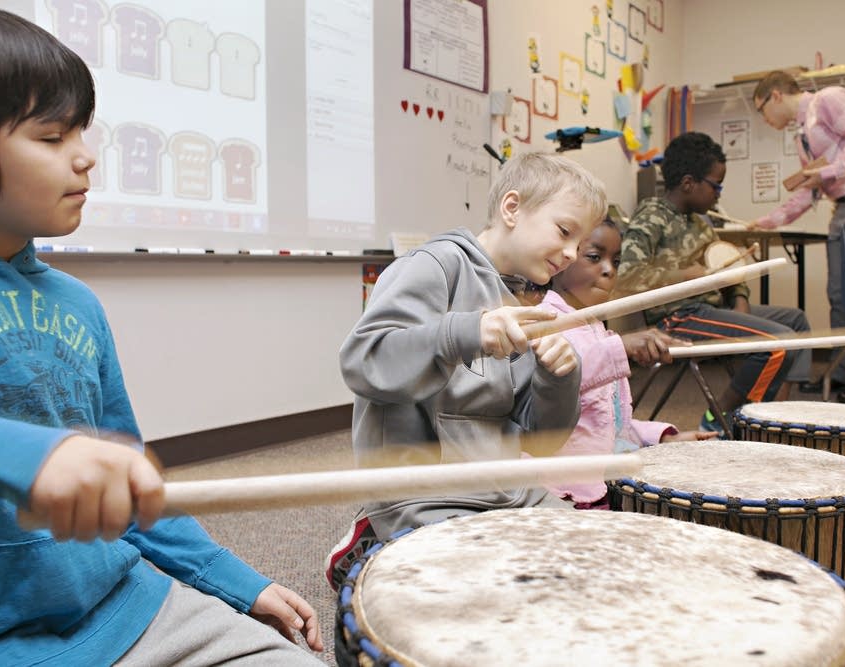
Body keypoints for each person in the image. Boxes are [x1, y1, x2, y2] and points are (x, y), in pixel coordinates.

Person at [0, 5, 322, 664]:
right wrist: (36, 455)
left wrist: (239, 584)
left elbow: (137, 489)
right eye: (52, 137)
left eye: (83, 131)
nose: (86, 156)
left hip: (131, 603)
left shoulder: (78, 304)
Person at [326, 151, 607, 589]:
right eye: (564, 231)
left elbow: (541, 437)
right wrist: (467, 332)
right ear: (511, 208)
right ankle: (369, 544)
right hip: (425, 494)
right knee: (499, 592)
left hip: (506, 490)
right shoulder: (434, 266)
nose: (571, 253)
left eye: (579, 243)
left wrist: (558, 377)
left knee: (596, 561)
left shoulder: (523, 298)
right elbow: (364, 360)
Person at [617, 132, 812, 433]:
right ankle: (721, 417)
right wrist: (682, 276)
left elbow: (728, 269)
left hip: (710, 310)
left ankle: (775, 415)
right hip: (678, 317)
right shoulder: (651, 216)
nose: (719, 193)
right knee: (776, 341)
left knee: (795, 322)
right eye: (715, 185)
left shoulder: (700, 224)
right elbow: (627, 276)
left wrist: (741, 299)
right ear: (688, 183)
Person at [541, 219, 717, 509]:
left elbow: (607, 422)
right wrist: (622, 346)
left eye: (616, 260)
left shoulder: (595, 325)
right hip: (568, 491)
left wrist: (661, 438)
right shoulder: (544, 320)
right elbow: (565, 377)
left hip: (605, 480)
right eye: (595, 257)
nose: (609, 270)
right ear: (563, 259)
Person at [752, 71, 845, 404]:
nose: (765, 119)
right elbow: (810, 191)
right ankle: (843, 375)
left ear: (774, 96)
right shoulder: (802, 136)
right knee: (841, 295)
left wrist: (834, 168)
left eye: (761, 110)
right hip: (844, 208)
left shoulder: (826, 99)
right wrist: (770, 221)